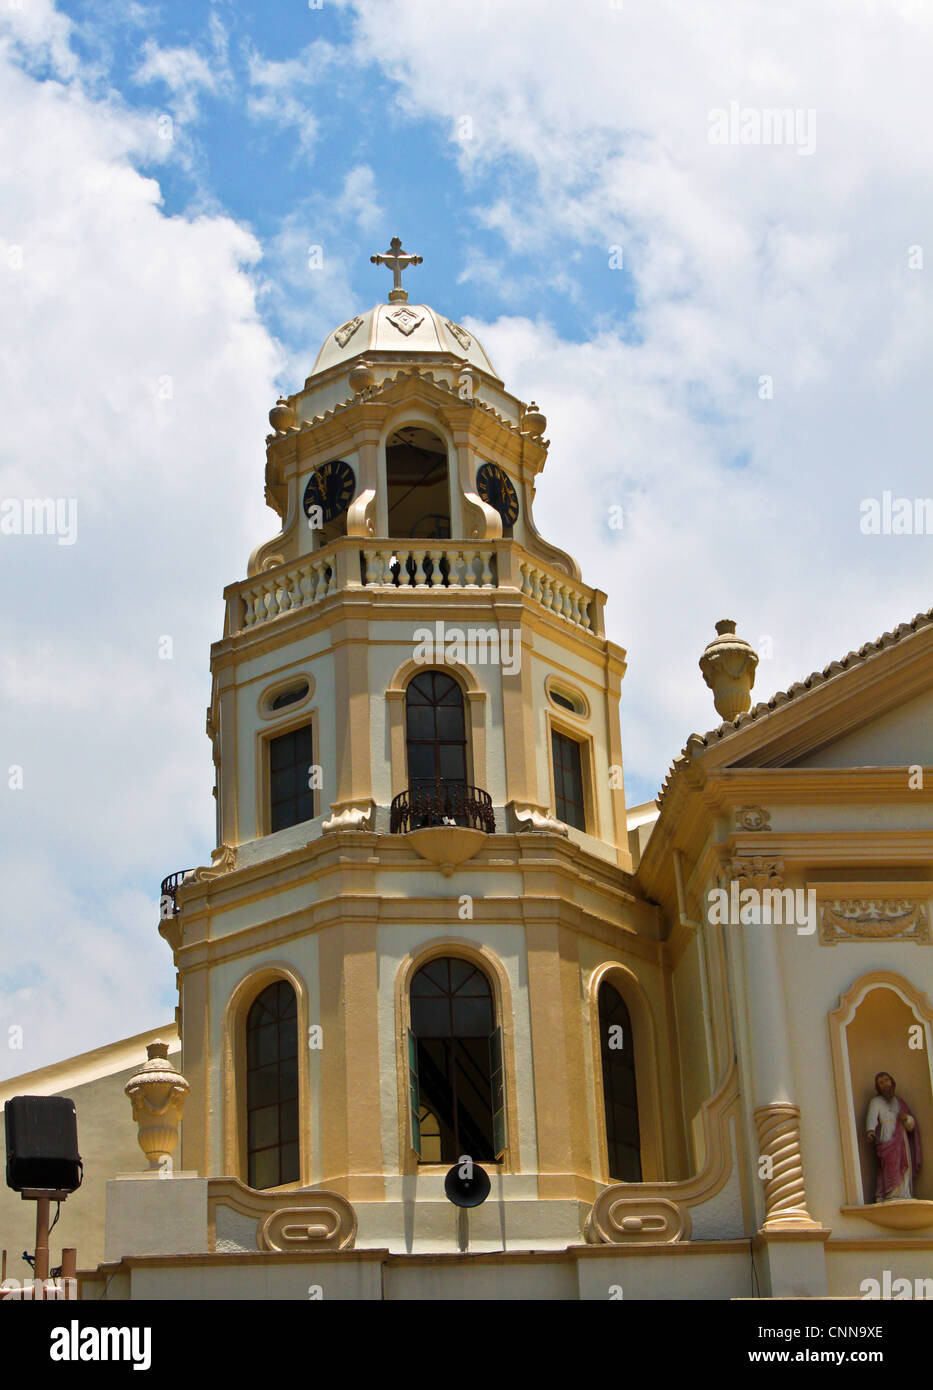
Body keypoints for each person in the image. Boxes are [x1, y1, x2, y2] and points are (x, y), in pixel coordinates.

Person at [866, 1072, 922, 1201]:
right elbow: (872, 1117)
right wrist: (870, 1130)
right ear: (878, 1086)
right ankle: (891, 1194)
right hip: (886, 1137)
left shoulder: (899, 1102)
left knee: (903, 1164)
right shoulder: (876, 1102)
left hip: (901, 1139)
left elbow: (912, 1127)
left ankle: (904, 1193)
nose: (885, 1084)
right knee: (889, 1165)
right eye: (881, 1082)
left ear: (892, 1082)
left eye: (886, 1080)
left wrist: (906, 1118)